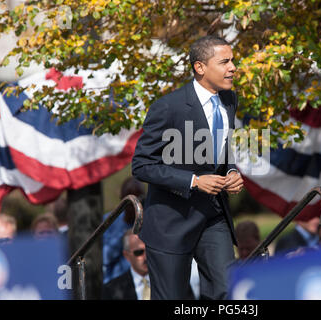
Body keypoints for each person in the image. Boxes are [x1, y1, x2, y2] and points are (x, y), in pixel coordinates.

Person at [132, 35, 243, 300]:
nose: (233, 67)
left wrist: (231, 171)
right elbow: (142, 165)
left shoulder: (229, 100)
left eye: (233, 61)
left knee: (227, 290)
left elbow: (222, 150)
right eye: (224, 61)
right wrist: (193, 180)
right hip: (171, 222)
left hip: (213, 217)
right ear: (200, 67)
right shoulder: (167, 107)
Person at [102, 177, 145, 284]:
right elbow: (104, 257)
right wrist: (124, 236)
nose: (133, 208)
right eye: (129, 205)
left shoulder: (150, 220)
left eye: (138, 202)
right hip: (117, 281)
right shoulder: (109, 221)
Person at [102, 229, 150, 300]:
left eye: (149, 251)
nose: (145, 257)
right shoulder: (112, 289)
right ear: (127, 255)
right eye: (139, 252)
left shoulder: (167, 281)